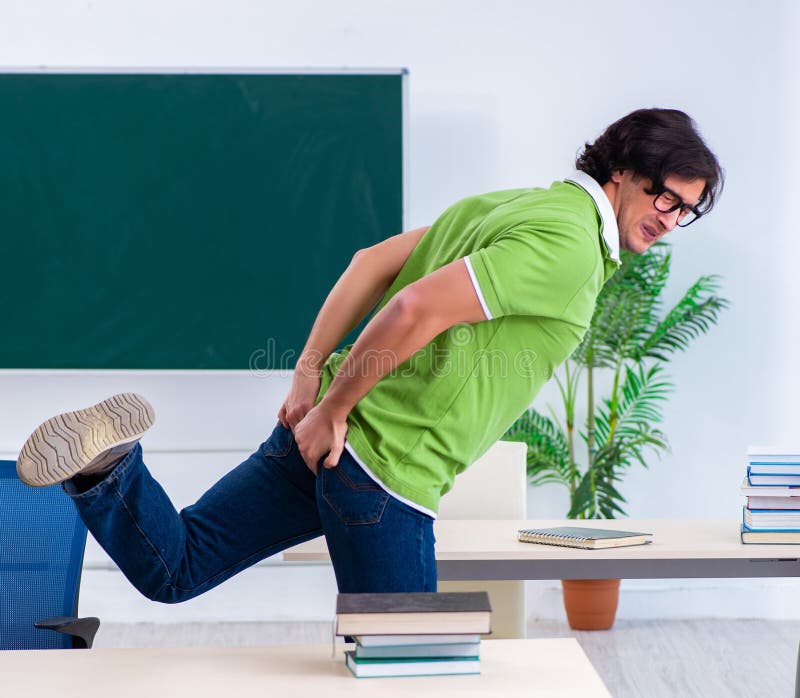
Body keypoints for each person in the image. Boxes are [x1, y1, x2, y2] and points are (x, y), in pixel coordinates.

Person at [17, 107, 722, 601]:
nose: (670, 219)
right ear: (622, 169)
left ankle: (106, 468)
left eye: (685, 210)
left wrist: (311, 381)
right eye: (664, 196)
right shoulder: (569, 245)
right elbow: (412, 306)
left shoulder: (519, 204)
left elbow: (370, 261)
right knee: (406, 662)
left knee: (180, 565)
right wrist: (330, 406)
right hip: (385, 471)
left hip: (330, 437)